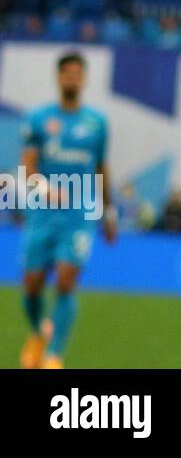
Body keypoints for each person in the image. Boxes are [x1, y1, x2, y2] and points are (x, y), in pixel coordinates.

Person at [17, 52, 117, 369]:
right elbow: (28, 168)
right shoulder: (38, 119)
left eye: (77, 74)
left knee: (65, 282)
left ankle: (54, 356)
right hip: (42, 214)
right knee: (32, 284)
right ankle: (37, 332)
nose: (72, 78)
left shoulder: (97, 123)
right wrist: (46, 189)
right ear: (58, 78)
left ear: (84, 79)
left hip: (78, 216)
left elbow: (101, 168)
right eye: (67, 73)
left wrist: (109, 212)